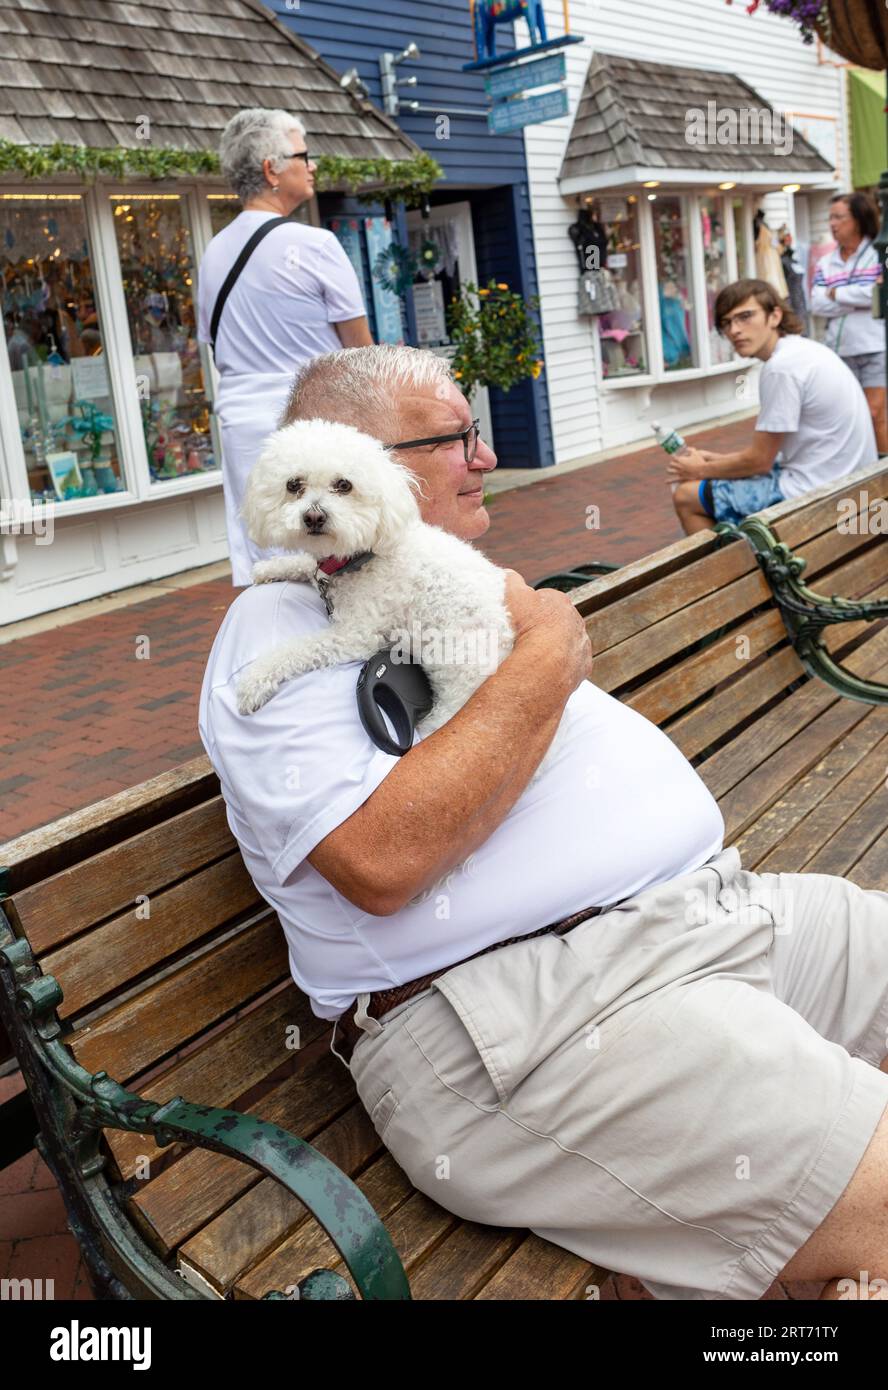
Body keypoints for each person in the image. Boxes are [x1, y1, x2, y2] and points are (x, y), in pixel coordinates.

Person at [199, 344, 888, 1302]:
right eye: (458, 438)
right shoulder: (275, 625)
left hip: (710, 919)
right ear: (355, 460)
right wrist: (552, 646)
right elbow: (381, 859)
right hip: (542, 1013)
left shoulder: (447, 573)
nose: (485, 459)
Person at [196, 108, 373, 585]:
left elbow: (214, 347)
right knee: (338, 557)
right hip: (310, 421)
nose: (312, 165)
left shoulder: (213, 254)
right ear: (272, 169)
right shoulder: (315, 245)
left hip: (242, 428)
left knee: (266, 558)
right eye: (303, 154)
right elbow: (361, 356)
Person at [669, 278, 877, 535]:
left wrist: (699, 468)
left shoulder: (782, 368)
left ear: (774, 316)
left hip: (816, 496)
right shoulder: (805, 351)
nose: (734, 330)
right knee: (711, 481)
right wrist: (719, 461)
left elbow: (759, 462)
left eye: (745, 316)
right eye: (726, 322)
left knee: (687, 496)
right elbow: (770, 454)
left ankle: (730, 575)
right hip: (850, 487)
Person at [811, 191, 887, 454]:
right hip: (839, 350)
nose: (832, 224)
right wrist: (859, 295)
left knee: (875, 413)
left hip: (874, 346)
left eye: (839, 217)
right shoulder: (825, 262)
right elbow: (816, 303)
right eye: (830, 218)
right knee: (849, 417)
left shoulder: (878, 253)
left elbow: (879, 294)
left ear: (857, 219)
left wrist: (838, 293)